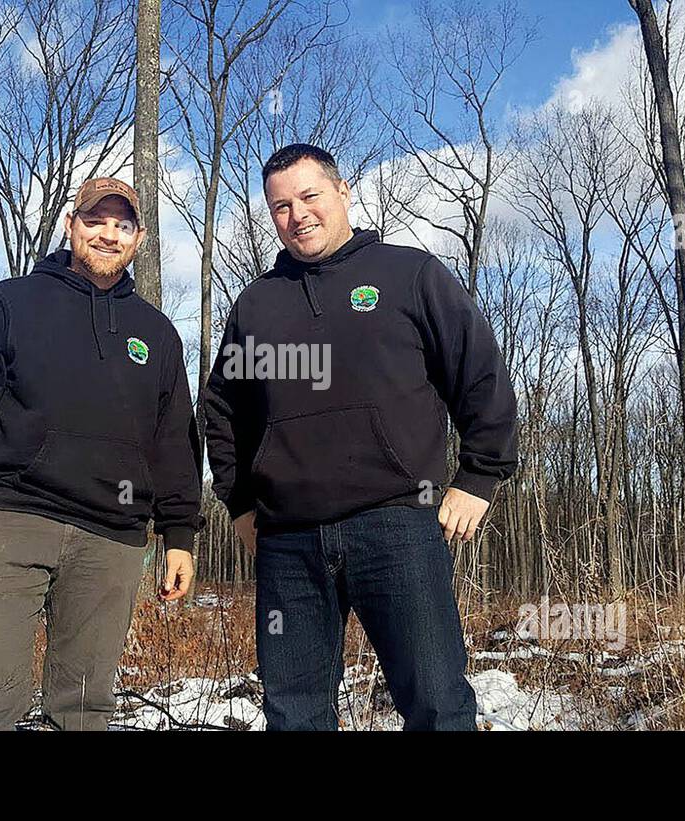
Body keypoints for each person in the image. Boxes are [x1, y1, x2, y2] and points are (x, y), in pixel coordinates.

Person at [203, 144, 518, 730]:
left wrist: (479, 476)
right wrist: (241, 502)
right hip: (289, 541)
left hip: (397, 524)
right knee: (294, 715)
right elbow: (222, 410)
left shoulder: (410, 275)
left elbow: (480, 375)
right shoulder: (256, 305)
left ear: (343, 192)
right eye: (280, 207)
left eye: (309, 196)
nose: (296, 215)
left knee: (435, 703)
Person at [0, 177, 202, 730]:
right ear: (72, 226)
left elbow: (173, 441)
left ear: (138, 238)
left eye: (123, 225)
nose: (109, 234)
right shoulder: (10, 304)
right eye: (96, 221)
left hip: (112, 539)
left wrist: (178, 535)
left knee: (84, 709)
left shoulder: (156, 335)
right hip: (9, 521)